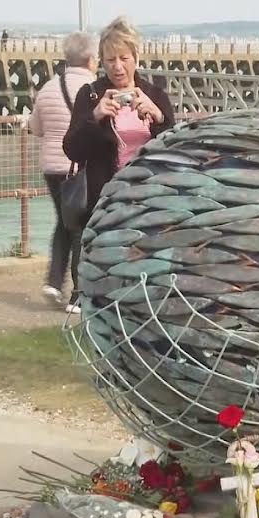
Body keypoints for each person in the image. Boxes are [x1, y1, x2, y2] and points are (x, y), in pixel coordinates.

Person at [63, 16, 175, 311]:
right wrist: (95, 117)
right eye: (110, 59)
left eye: (124, 58)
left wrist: (159, 119)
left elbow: (174, 147)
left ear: (136, 58)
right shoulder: (89, 95)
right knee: (106, 265)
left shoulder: (156, 95)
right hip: (104, 199)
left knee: (144, 263)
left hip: (147, 198)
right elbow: (72, 149)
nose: (117, 66)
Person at [29, 32, 97, 314]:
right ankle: (78, 295)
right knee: (80, 227)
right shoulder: (93, 89)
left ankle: (54, 281)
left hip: (51, 167)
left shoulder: (47, 88)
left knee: (64, 222)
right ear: (92, 59)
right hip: (78, 168)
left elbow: (36, 128)